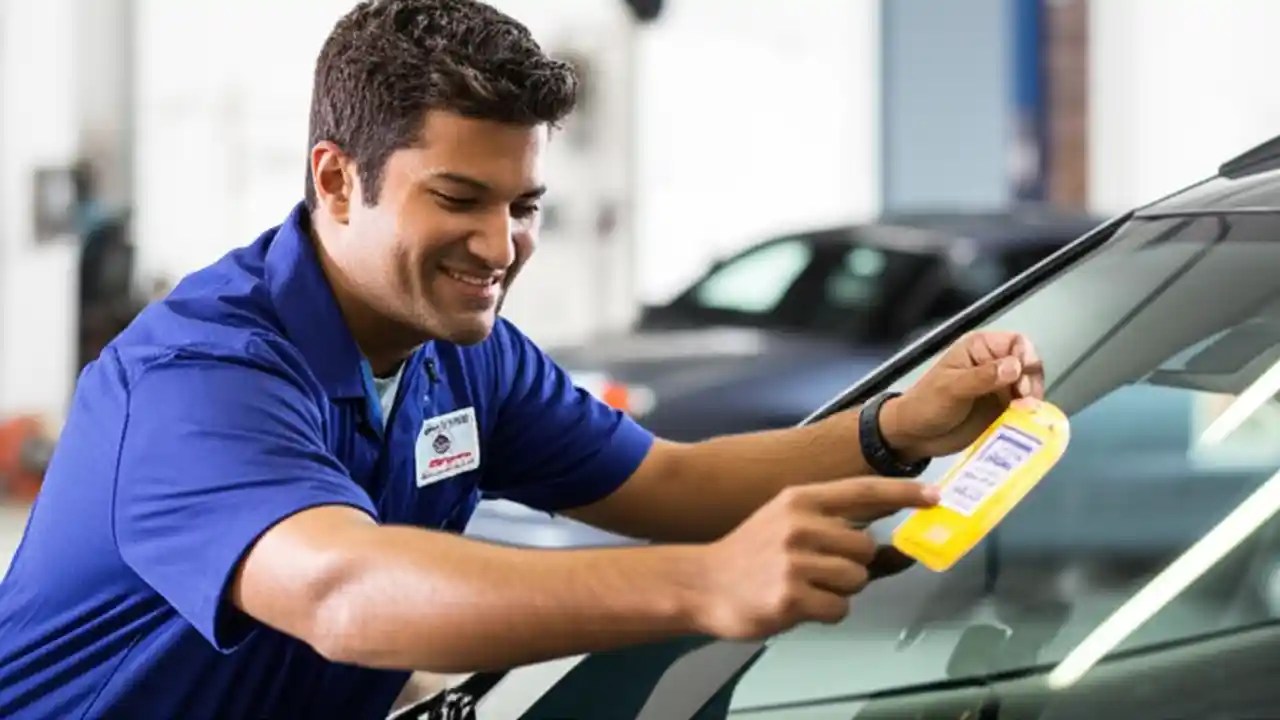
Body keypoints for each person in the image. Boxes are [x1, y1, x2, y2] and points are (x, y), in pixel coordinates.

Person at [0, 1, 1045, 718]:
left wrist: (893, 428)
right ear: (334, 180)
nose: (500, 248)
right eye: (458, 199)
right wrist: (697, 587)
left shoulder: (468, 360)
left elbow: (666, 481)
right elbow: (344, 595)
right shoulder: (199, 377)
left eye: (524, 205)